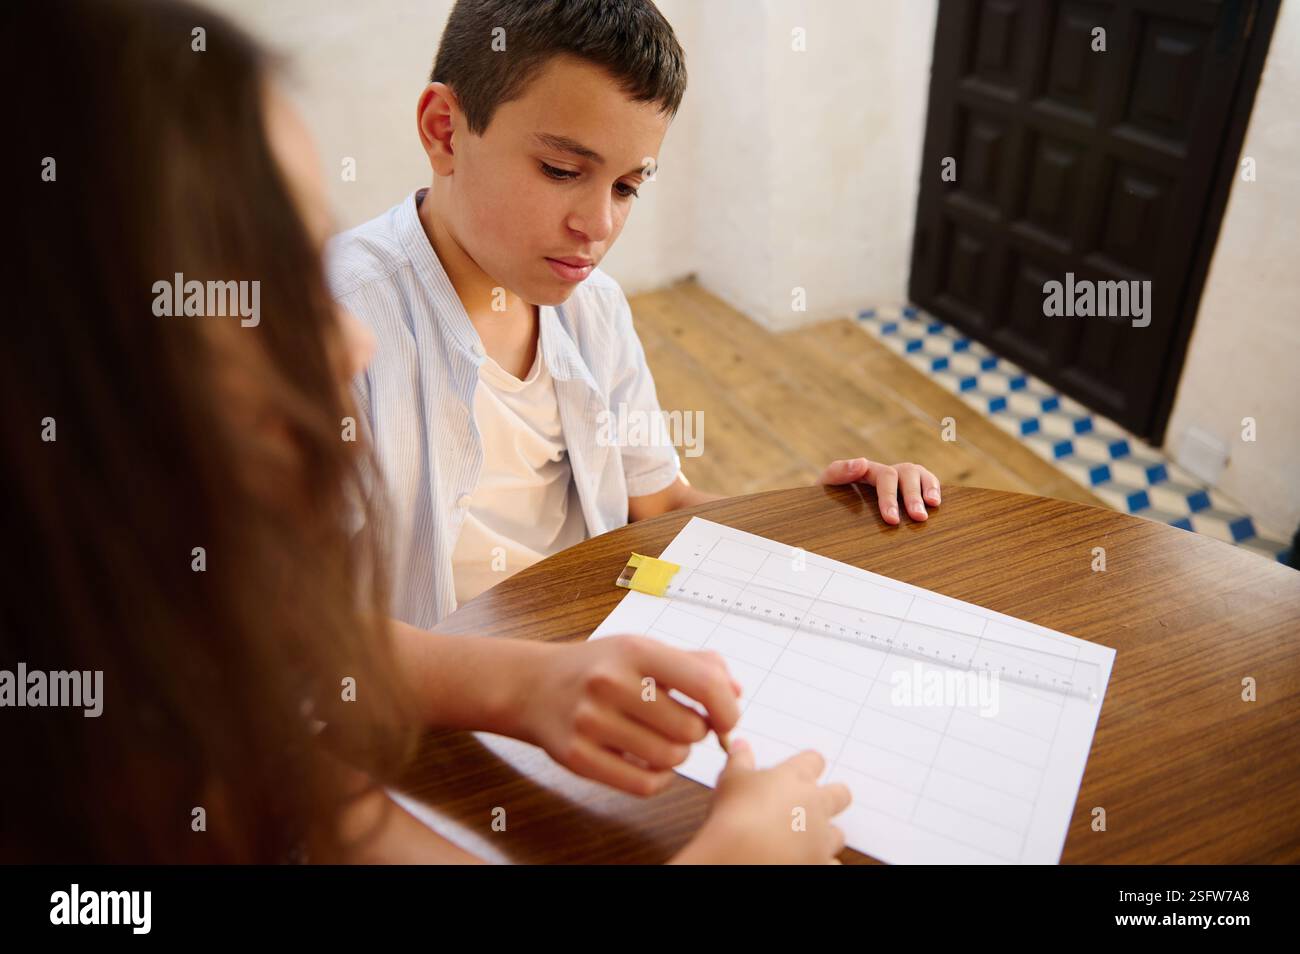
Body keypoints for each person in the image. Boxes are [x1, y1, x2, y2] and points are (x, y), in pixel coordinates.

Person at [3, 0, 850, 864]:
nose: (599, 223)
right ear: (444, 130)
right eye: (562, 169)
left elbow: (657, 500)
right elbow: (309, 649)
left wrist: (816, 526)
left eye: (629, 187)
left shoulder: (590, 311)